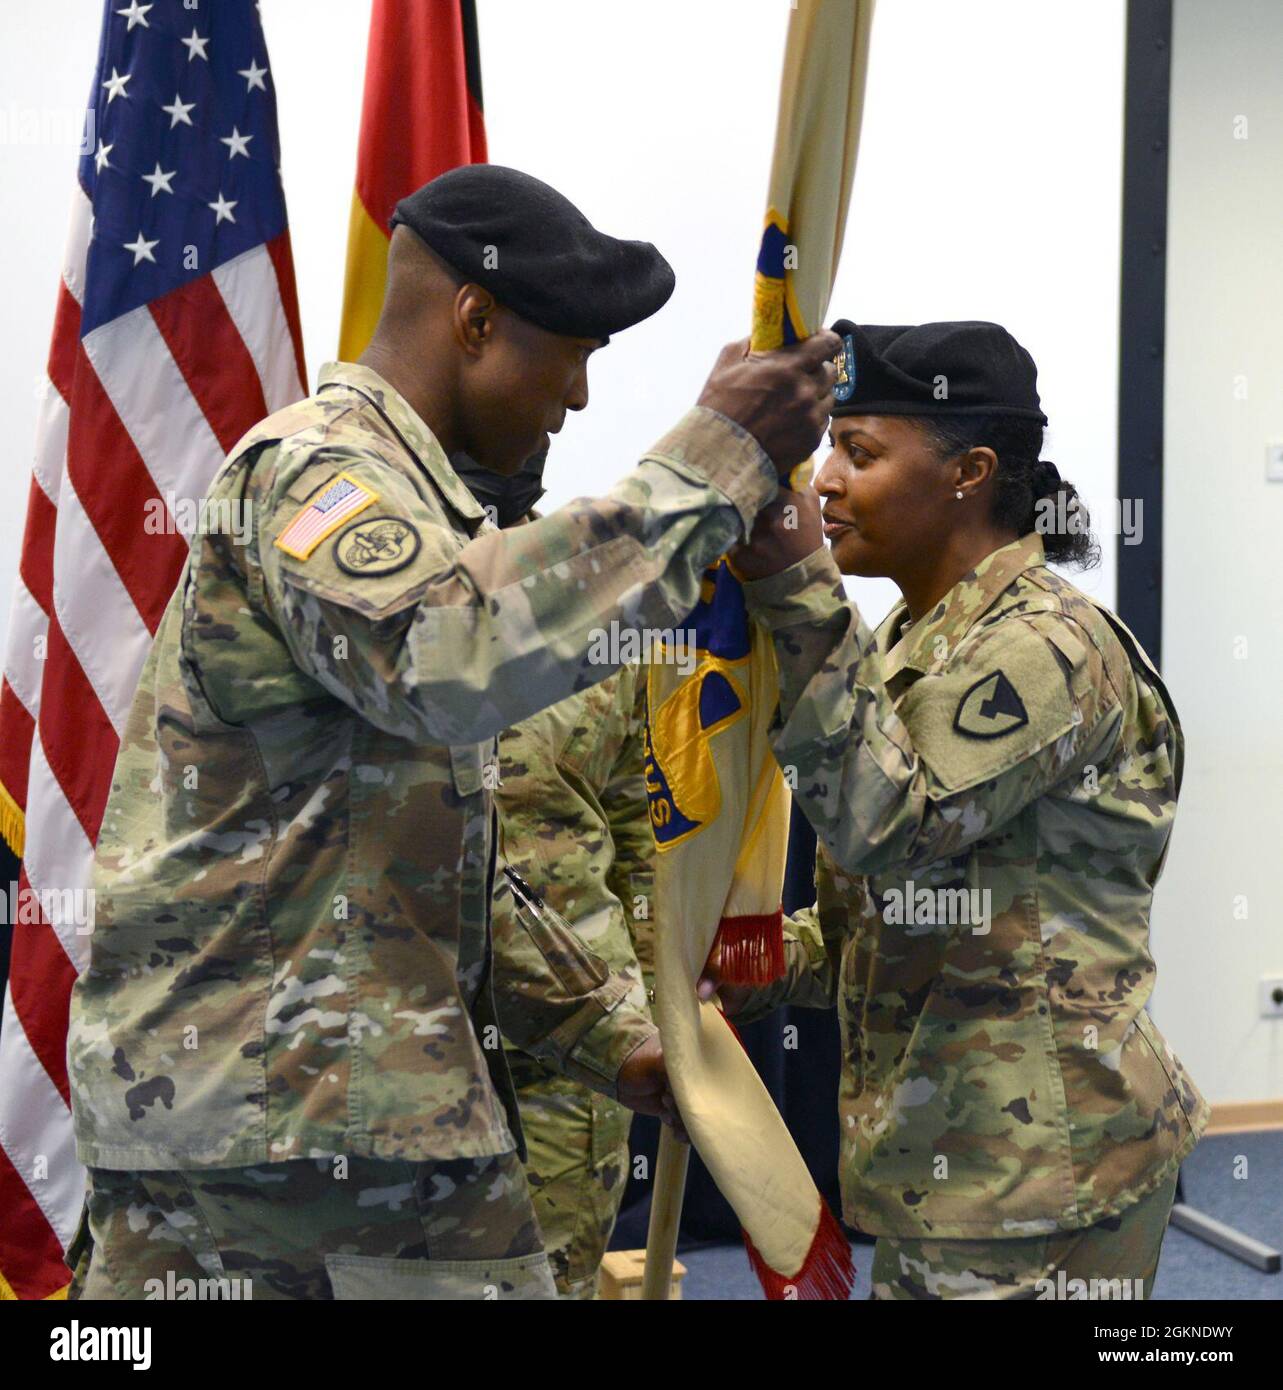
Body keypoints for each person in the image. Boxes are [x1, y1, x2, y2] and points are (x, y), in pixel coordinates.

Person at [65, 164, 838, 1300]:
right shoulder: (315, 472)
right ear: (474, 320)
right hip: (292, 1126)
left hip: (295, 1114)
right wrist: (714, 456)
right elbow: (449, 652)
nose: (575, 397)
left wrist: (614, 1031)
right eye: (569, 353)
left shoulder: (424, 511)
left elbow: (448, 867)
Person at [708, 319, 1207, 1300]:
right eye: (824, 452)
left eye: (858, 453)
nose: (824, 483)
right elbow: (889, 920)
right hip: (946, 1165)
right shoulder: (914, 639)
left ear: (968, 471)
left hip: (1043, 1176)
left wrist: (793, 590)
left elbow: (886, 825)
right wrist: (760, 958)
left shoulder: (1043, 647)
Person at [449, 444, 655, 1300]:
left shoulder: (593, 607)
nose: (566, 397)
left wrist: (663, 1005)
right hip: (417, 1064)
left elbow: (638, 827)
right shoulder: (371, 610)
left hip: (573, 1080)